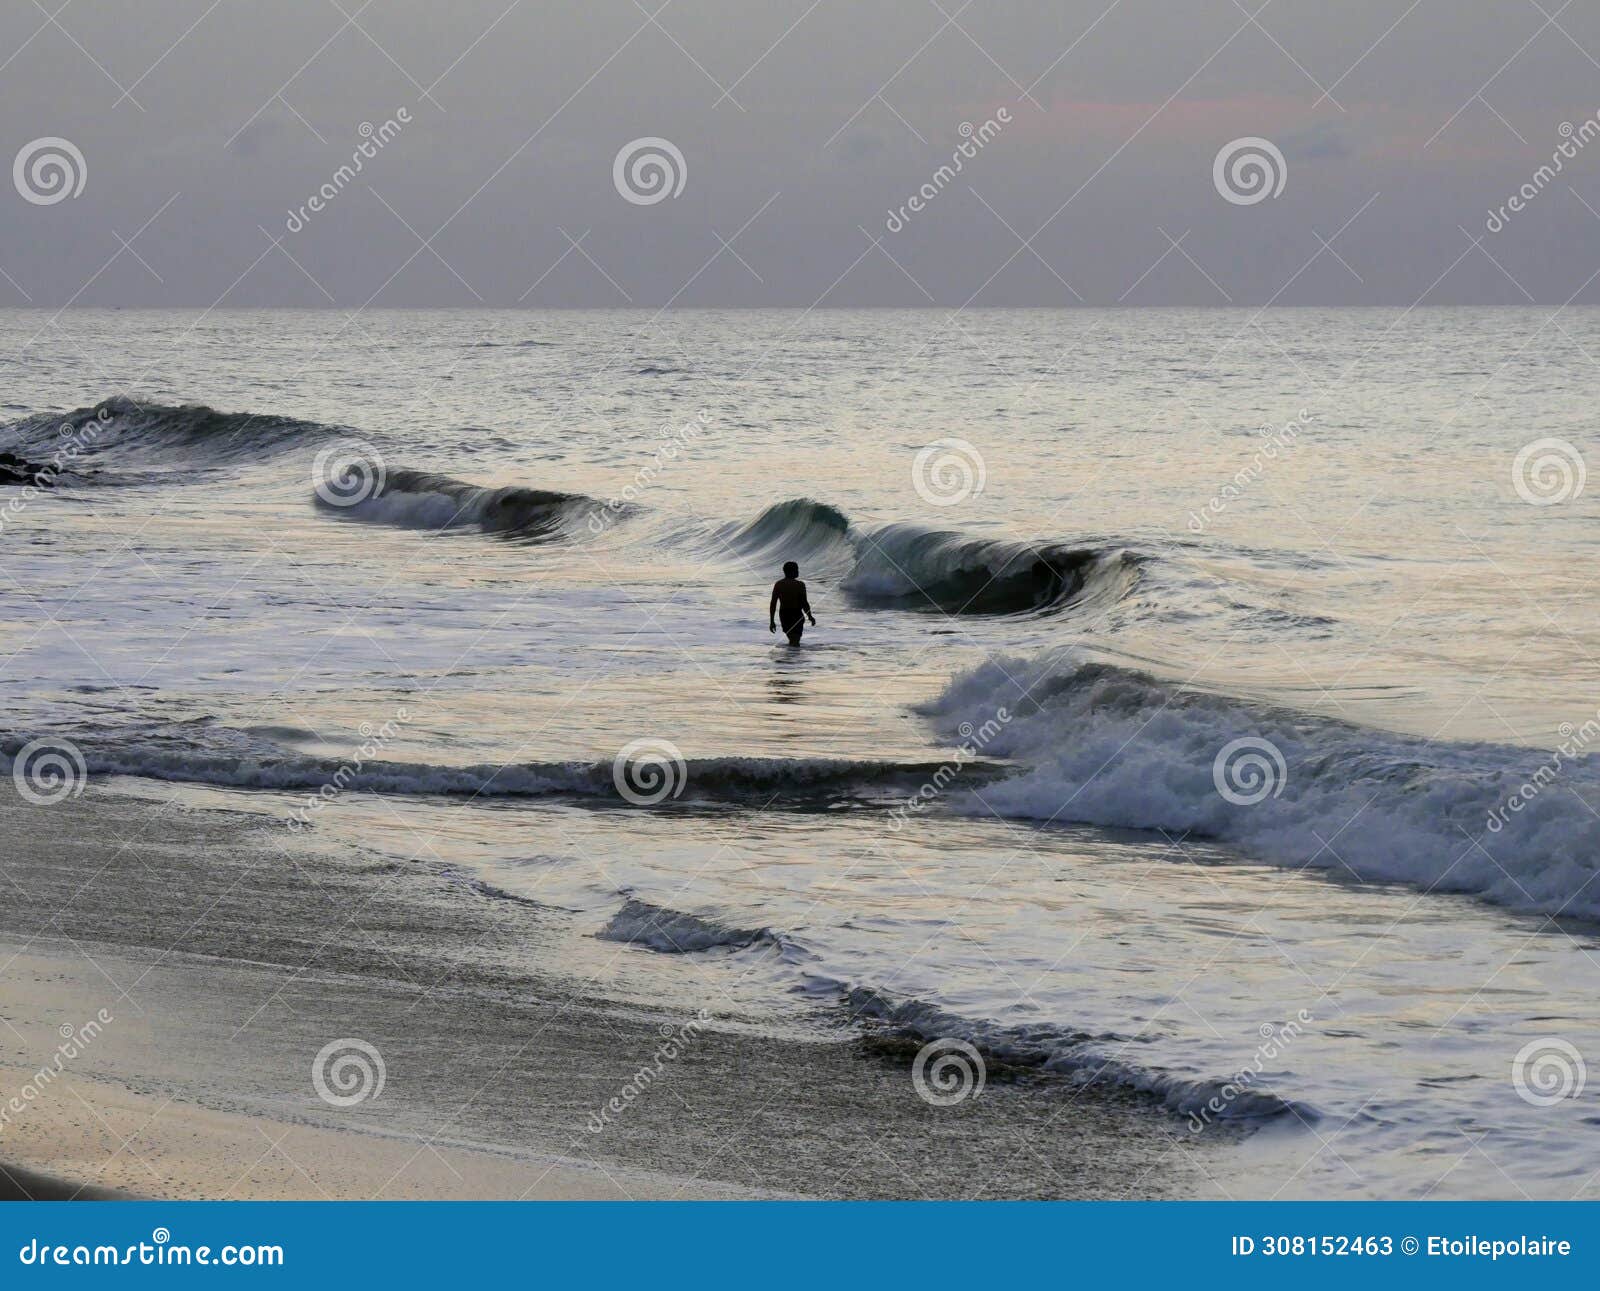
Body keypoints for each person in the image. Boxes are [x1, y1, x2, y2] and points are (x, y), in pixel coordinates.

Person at [768, 561, 817, 645]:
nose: (798, 571)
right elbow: (804, 603)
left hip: (784, 615)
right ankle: (792, 656)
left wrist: (772, 621)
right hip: (796, 614)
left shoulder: (779, 584)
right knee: (795, 640)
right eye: (796, 570)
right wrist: (810, 616)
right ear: (792, 571)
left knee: (793, 640)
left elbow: (773, 603)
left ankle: (790, 656)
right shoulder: (800, 585)